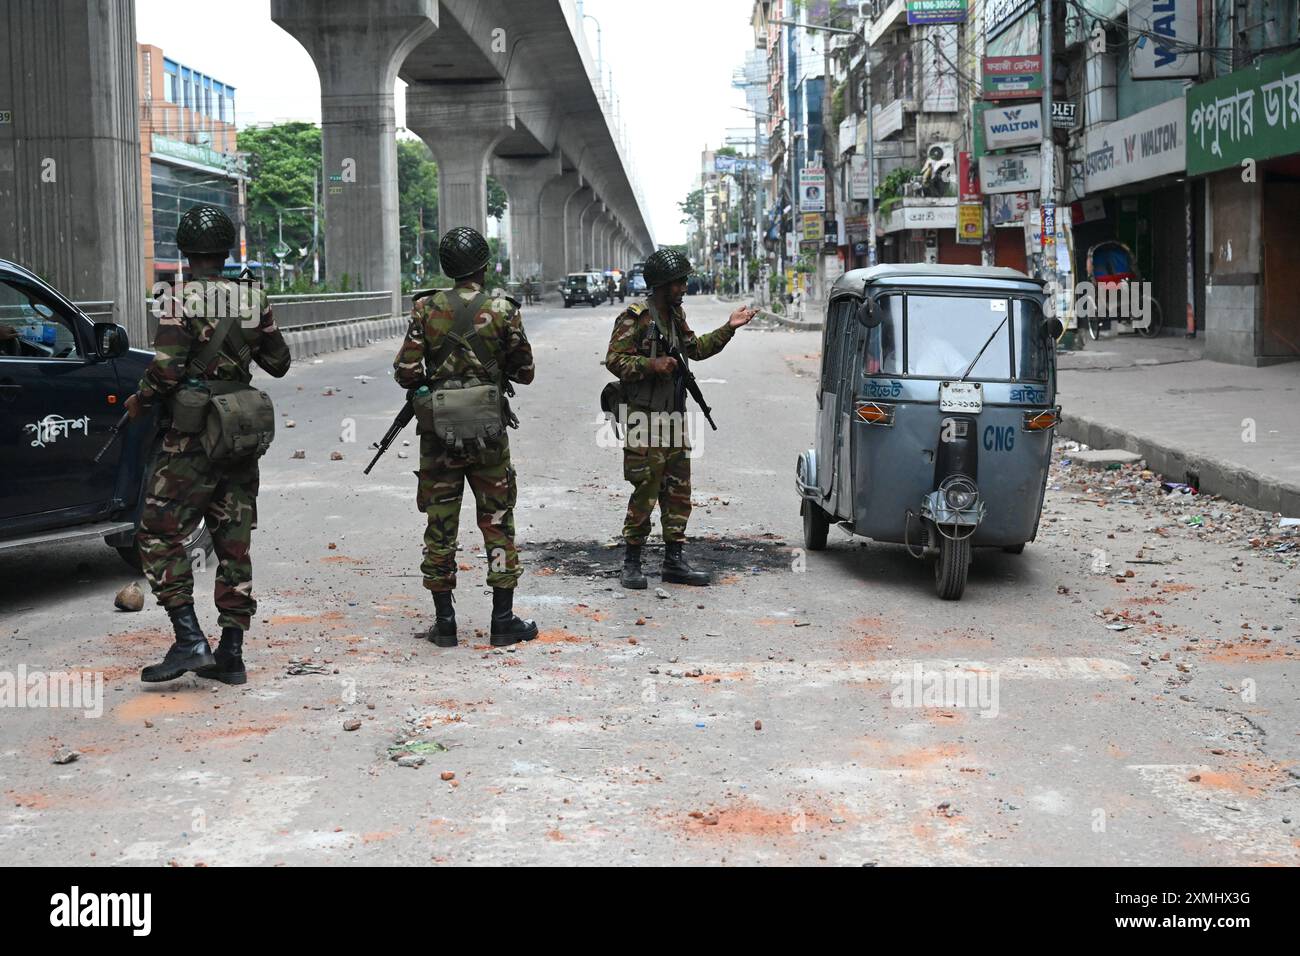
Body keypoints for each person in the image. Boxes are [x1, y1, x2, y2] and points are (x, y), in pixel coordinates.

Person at [129, 204, 291, 685]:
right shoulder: (252, 298)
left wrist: (140, 400)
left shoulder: (177, 300)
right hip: (239, 436)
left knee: (158, 531)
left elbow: (166, 370)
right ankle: (232, 655)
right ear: (224, 250)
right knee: (233, 540)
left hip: (193, 441)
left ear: (185, 251)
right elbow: (279, 363)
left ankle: (188, 639)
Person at [393, 226, 538, 647]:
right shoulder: (504, 308)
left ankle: (446, 623)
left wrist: (432, 389)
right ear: (484, 265)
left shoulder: (425, 308)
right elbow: (525, 373)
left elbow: (405, 371)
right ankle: (503, 620)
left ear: (446, 267)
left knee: (440, 525)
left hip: (439, 435)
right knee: (496, 522)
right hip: (488, 434)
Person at [605, 248, 755, 589]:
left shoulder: (675, 314)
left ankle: (674, 560)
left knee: (677, 490)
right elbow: (614, 360)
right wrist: (650, 365)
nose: (685, 286)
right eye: (679, 281)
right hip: (643, 418)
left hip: (673, 417)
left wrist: (729, 327)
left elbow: (696, 349)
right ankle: (632, 561)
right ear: (662, 284)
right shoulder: (636, 317)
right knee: (645, 487)